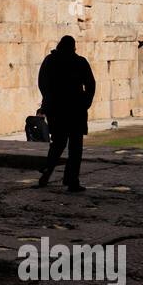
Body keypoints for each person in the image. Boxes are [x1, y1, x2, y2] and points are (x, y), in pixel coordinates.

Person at [36, 36, 96, 192]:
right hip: (75, 109)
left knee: (58, 143)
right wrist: (85, 102)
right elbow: (90, 84)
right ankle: (71, 180)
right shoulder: (79, 62)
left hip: (57, 109)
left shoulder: (50, 61)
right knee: (75, 147)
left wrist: (48, 100)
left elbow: (42, 83)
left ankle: (48, 170)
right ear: (73, 47)